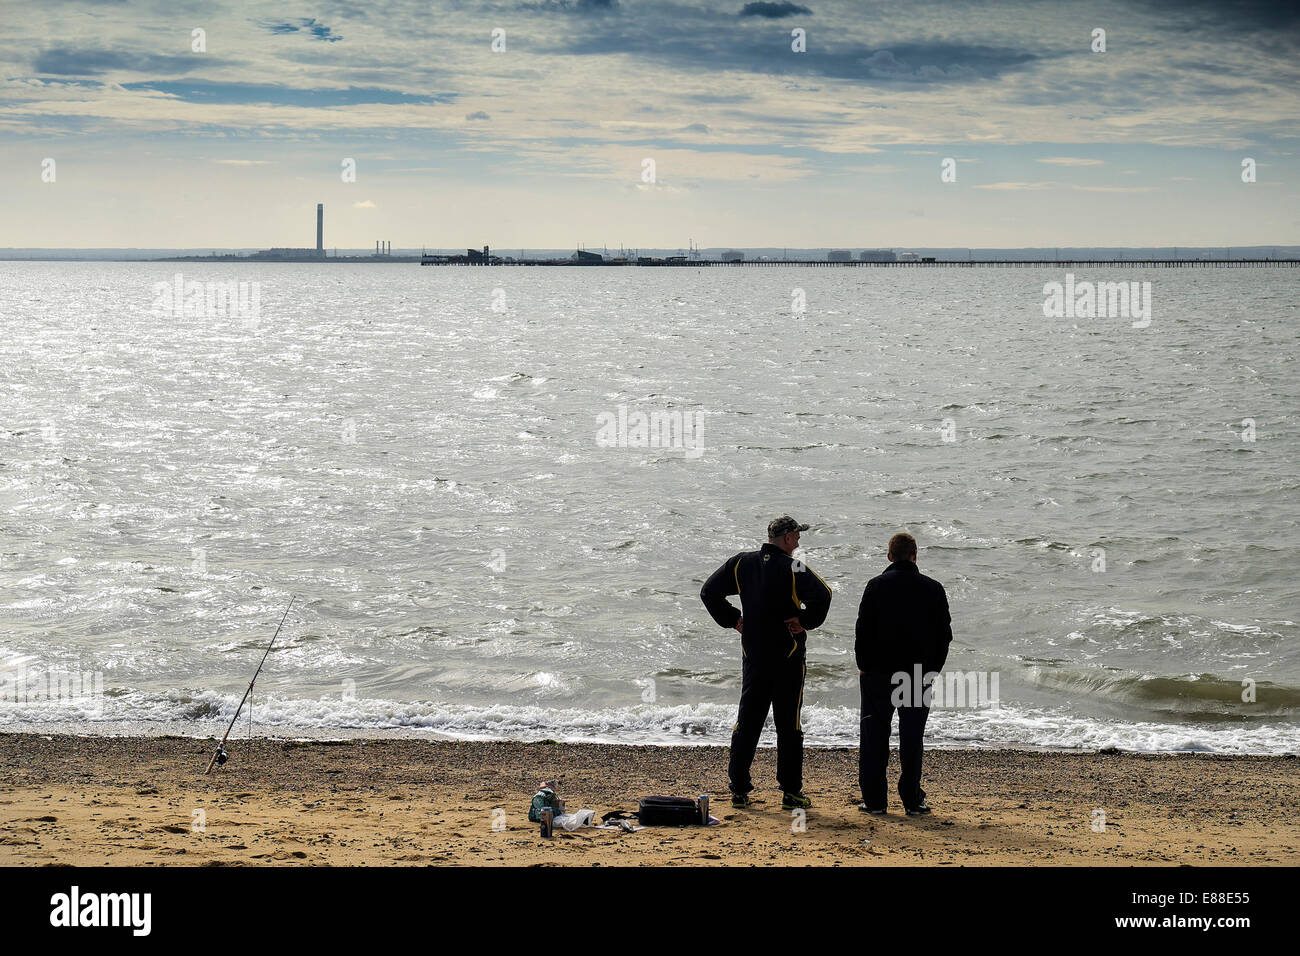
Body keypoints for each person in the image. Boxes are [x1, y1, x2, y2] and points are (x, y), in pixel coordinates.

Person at [700, 515, 833, 810]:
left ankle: (738, 788)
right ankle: (790, 791)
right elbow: (824, 595)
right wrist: (805, 621)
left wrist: (734, 620)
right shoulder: (793, 566)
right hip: (787, 658)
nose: (798, 542)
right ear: (786, 537)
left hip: (755, 655)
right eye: (797, 536)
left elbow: (708, 592)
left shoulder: (741, 563)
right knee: (789, 724)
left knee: (748, 721)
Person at [854, 532, 952, 816]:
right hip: (917, 673)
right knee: (911, 737)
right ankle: (912, 799)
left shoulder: (875, 586)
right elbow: (943, 636)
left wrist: (863, 664)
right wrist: (932, 671)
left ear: (889, 556)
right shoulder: (933, 588)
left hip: (878, 673)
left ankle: (874, 801)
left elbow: (863, 630)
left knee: (874, 735)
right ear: (915, 555)